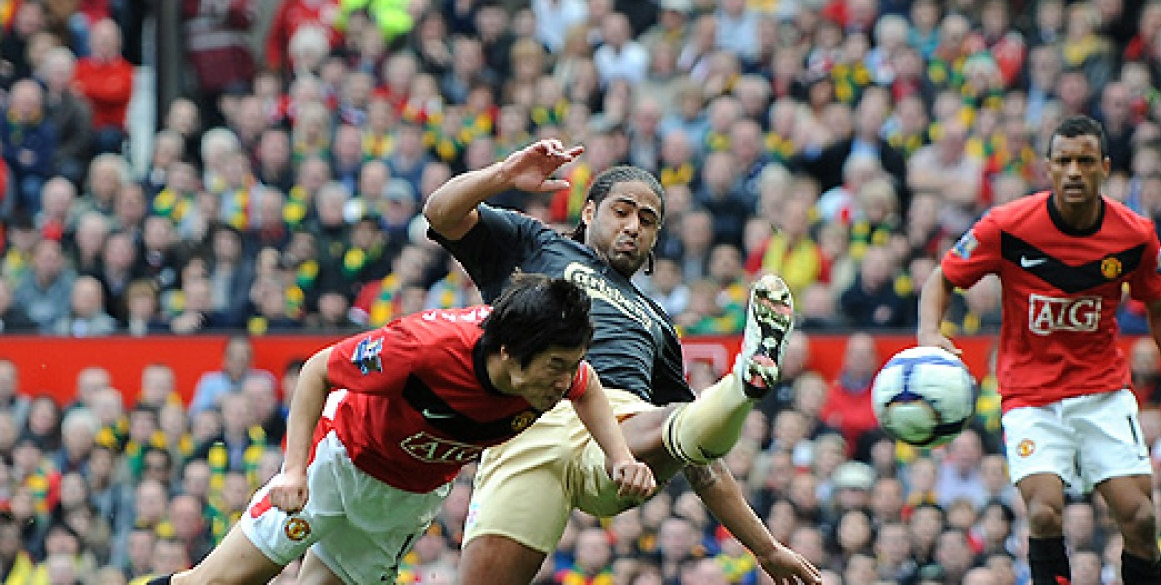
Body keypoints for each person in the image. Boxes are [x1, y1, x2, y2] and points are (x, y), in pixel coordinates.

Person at [424, 139, 821, 584]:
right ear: (589, 212)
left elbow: (701, 464)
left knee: (676, 421)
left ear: (654, 240)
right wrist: (502, 175)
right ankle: (737, 389)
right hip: (528, 425)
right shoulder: (535, 243)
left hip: (617, 437)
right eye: (623, 211)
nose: (633, 226)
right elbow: (440, 213)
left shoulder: (657, 322)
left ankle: (742, 386)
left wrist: (765, 548)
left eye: (647, 221)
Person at [148, 273, 657, 585]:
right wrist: (293, 470)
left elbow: (588, 388)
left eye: (574, 363)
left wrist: (619, 458)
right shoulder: (423, 349)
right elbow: (318, 369)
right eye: (557, 366)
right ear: (509, 355)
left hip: (406, 501)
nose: (568, 379)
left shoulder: (556, 371)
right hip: (340, 460)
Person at [917, 115, 1161, 585]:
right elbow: (942, 279)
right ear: (1047, 168)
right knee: (1045, 513)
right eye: (1063, 161)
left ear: (1104, 168)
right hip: (1030, 396)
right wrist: (929, 331)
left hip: (1104, 391)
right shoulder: (1007, 226)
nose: (1074, 172)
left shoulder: (1134, 235)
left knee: (1141, 520)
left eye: (1085, 161)